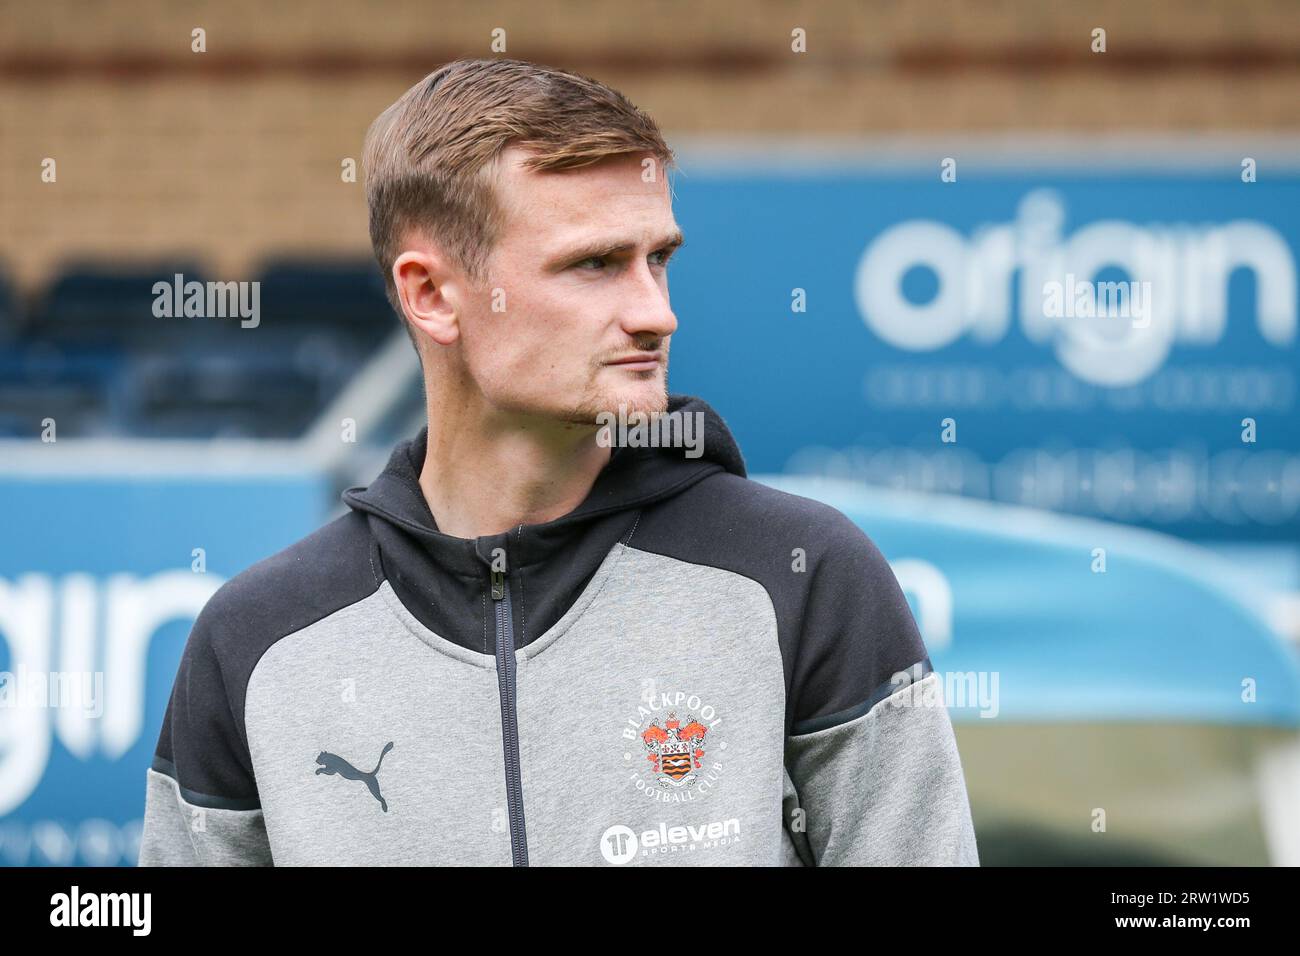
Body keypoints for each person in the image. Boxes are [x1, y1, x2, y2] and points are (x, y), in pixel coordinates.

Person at [139, 57, 979, 867]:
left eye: (659, 259)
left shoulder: (805, 578)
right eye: (596, 264)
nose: (657, 314)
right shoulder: (256, 641)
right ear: (431, 295)